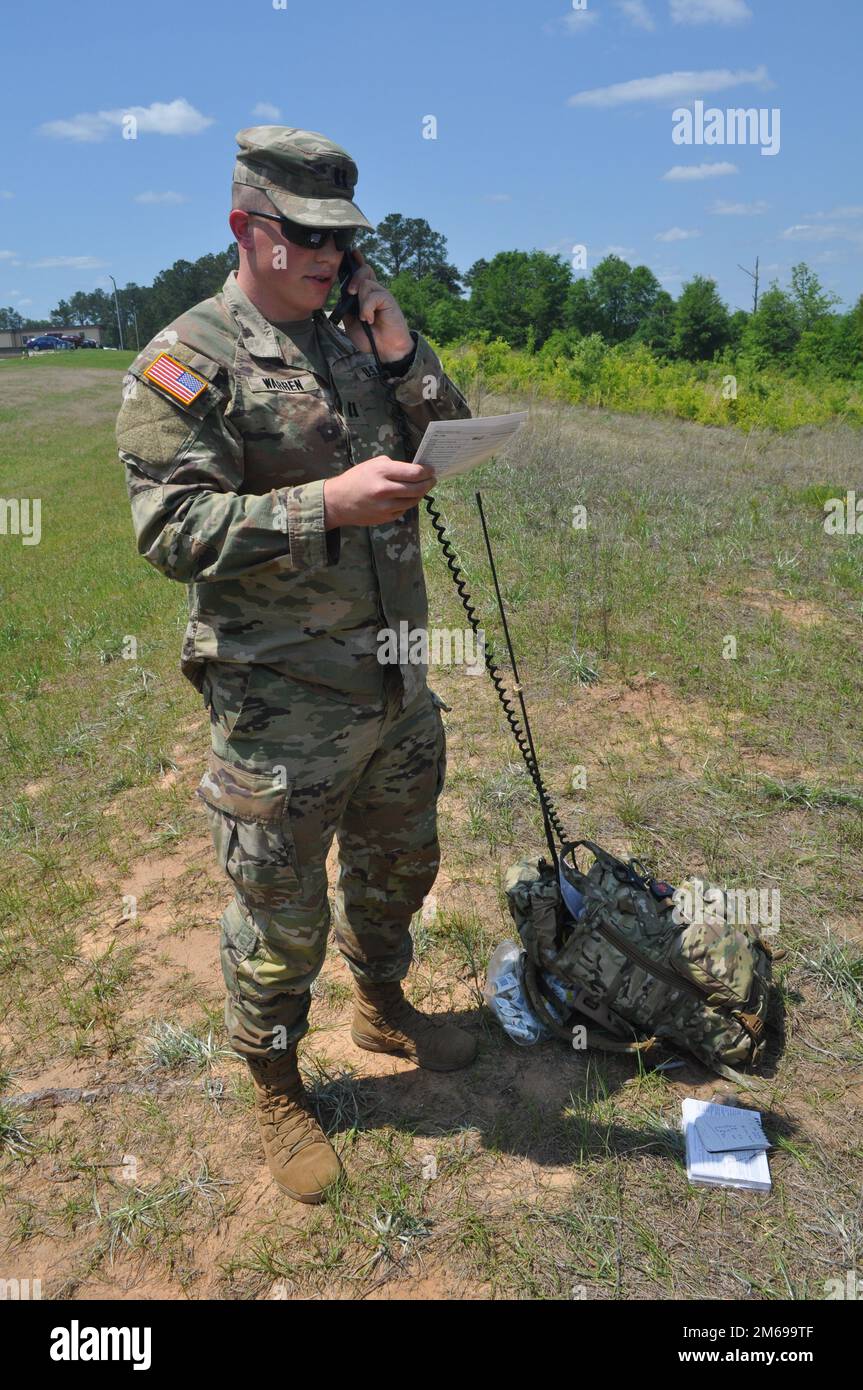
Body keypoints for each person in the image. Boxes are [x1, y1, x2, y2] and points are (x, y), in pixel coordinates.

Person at [116, 126, 477, 1205]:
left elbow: (444, 427)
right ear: (244, 229)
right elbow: (169, 528)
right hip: (279, 700)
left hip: (393, 678)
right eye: (306, 236)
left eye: (341, 240)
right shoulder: (186, 360)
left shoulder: (350, 340)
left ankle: (382, 1001)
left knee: (398, 865)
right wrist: (322, 503)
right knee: (278, 916)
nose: (327, 256)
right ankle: (275, 1079)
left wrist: (401, 345)